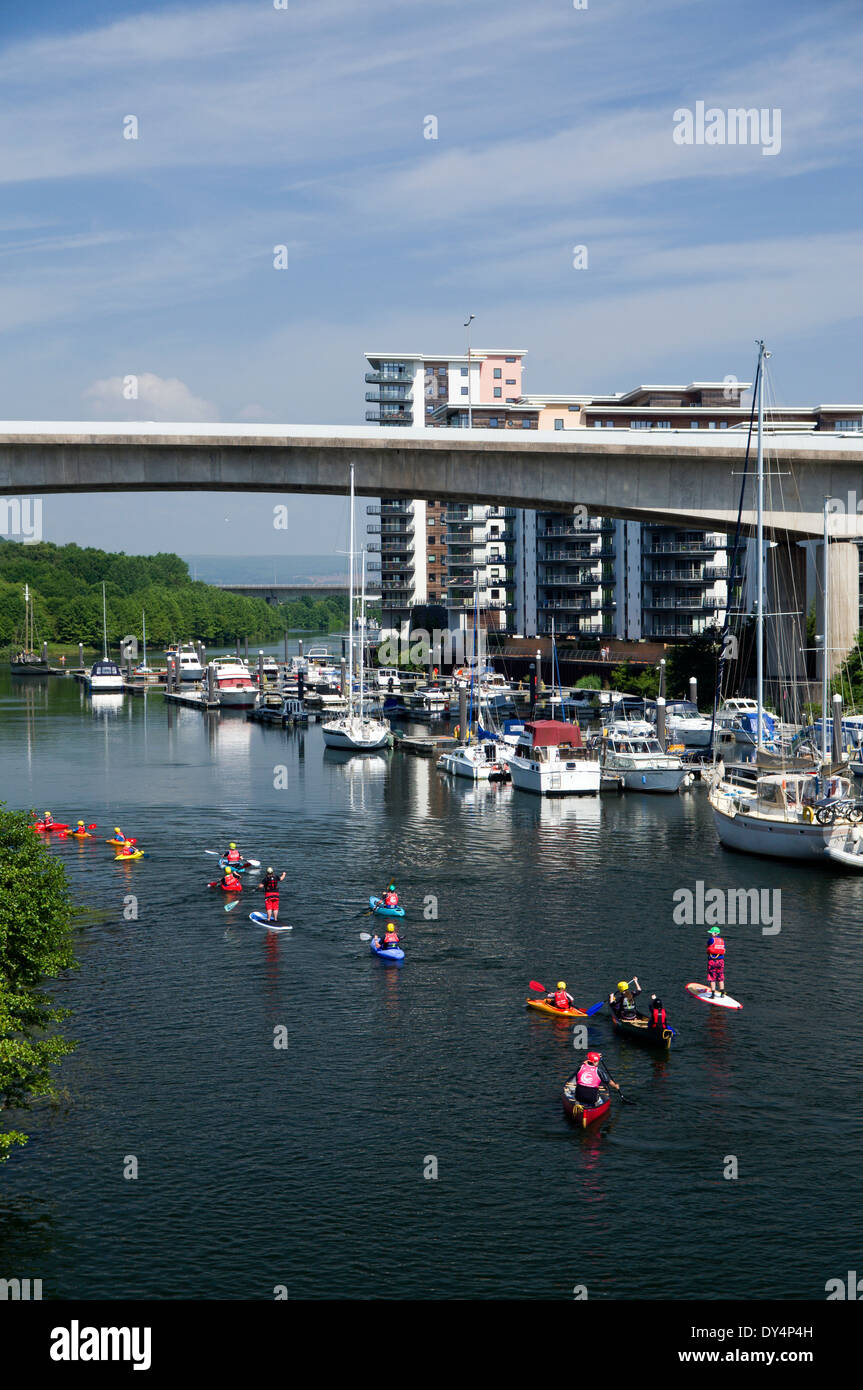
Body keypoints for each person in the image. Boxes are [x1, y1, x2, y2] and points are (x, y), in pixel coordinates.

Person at [706, 927, 726, 998]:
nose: (711, 934)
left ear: (715, 933)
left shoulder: (711, 940)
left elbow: (708, 946)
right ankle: (722, 993)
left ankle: (713, 994)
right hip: (721, 961)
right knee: (720, 977)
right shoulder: (722, 940)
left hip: (712, 961)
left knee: (712, 977)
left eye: (711, 932)